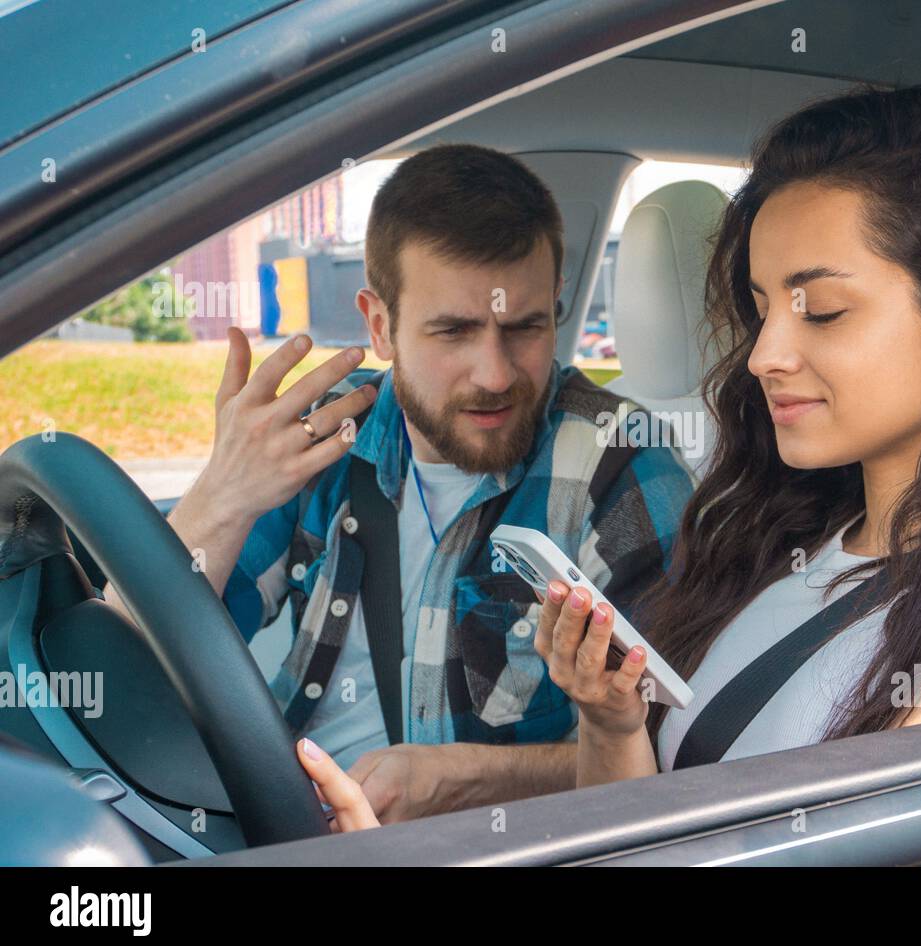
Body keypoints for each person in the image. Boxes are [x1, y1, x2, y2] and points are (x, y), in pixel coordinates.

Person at [304, 85, 921, 829]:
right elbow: (647, 834)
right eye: (762, 305)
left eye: (821, 311)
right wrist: (612, 721)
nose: (766, 351)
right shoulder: (779, 543)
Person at [107, 144, 696, 822]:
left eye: (526, 328)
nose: (495, 373)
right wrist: (224, 493)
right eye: (453, 331)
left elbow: (662, 747)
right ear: (380, 324)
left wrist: (467, 781)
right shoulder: (322, 437)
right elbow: (126, 657)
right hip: (274, 818)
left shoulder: (621, 468)